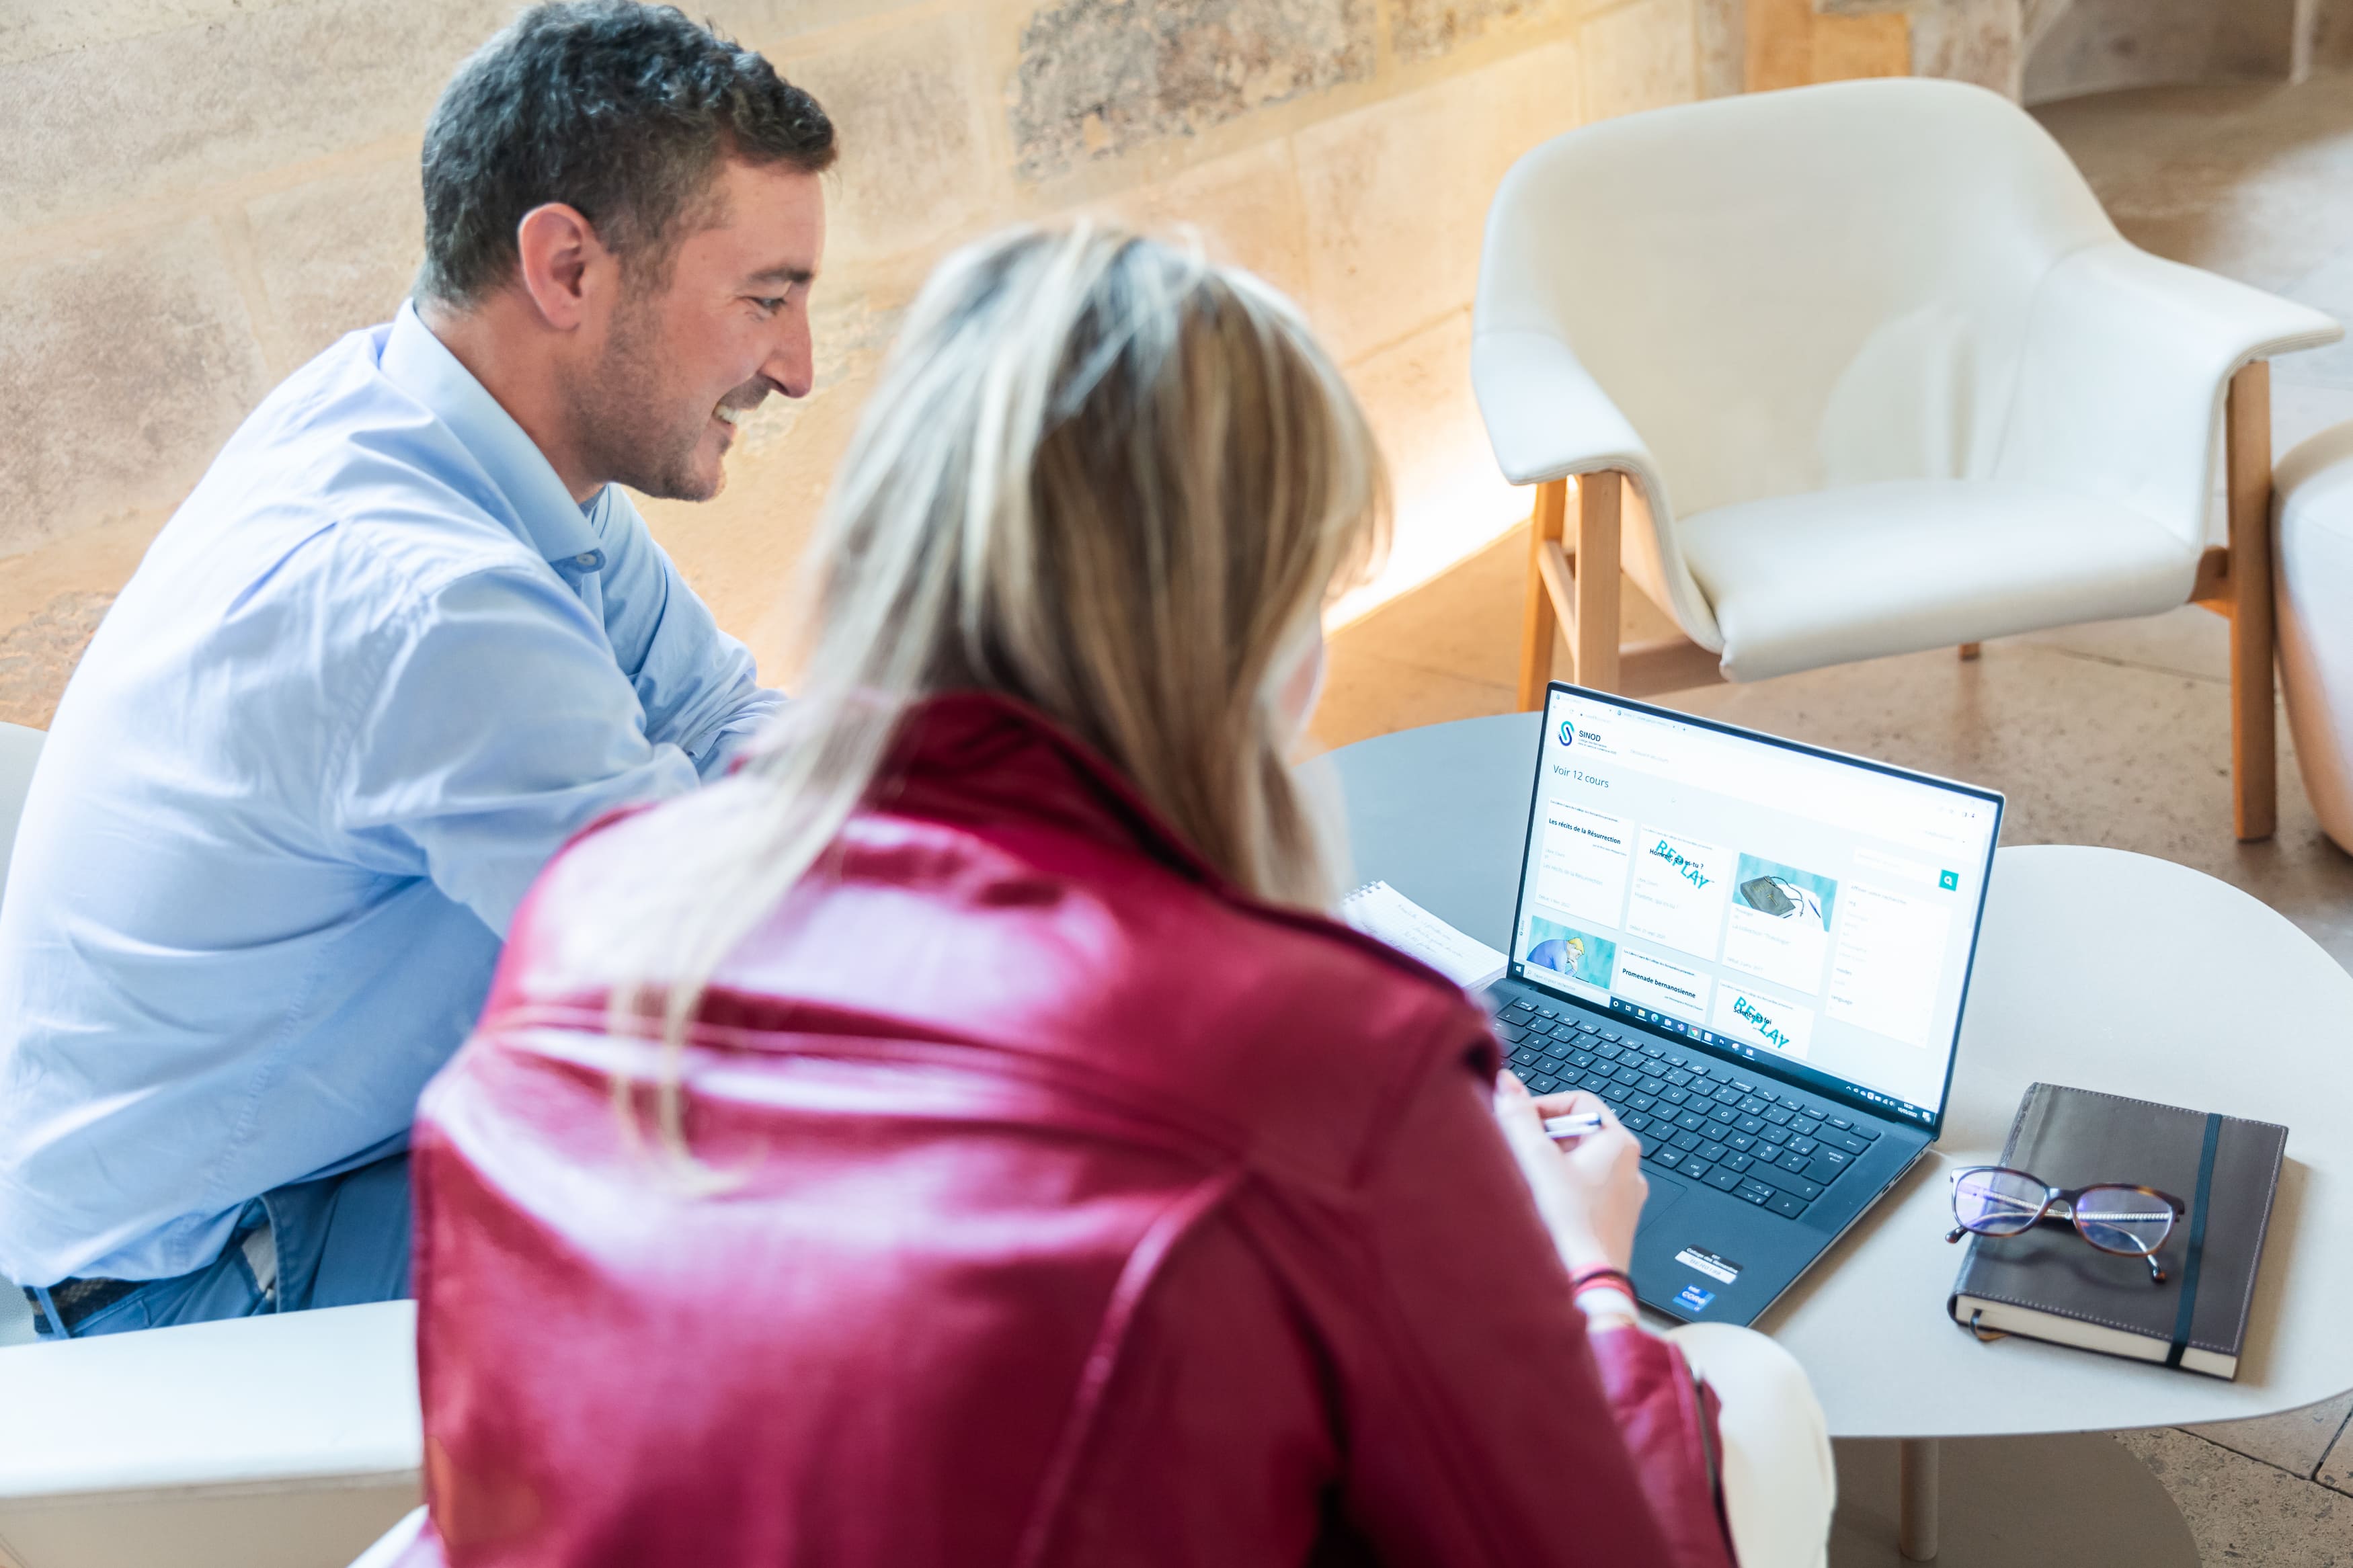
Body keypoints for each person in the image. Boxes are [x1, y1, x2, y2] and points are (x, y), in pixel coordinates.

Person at [378, 225, 1834, 1567]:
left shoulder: (600, 904)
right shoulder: (1339, 1059)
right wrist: (1579, 1269)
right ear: (1253, 633)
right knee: (1749, 1400)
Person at [0, 1, 834, 1337]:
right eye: (765, 299)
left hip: (328, 1155)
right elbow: (713, 987)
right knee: (841, 1221)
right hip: (208, 1281)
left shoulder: (445, 426)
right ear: (566, 268)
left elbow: (721, 713)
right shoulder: (420, 598)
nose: (795, 367)